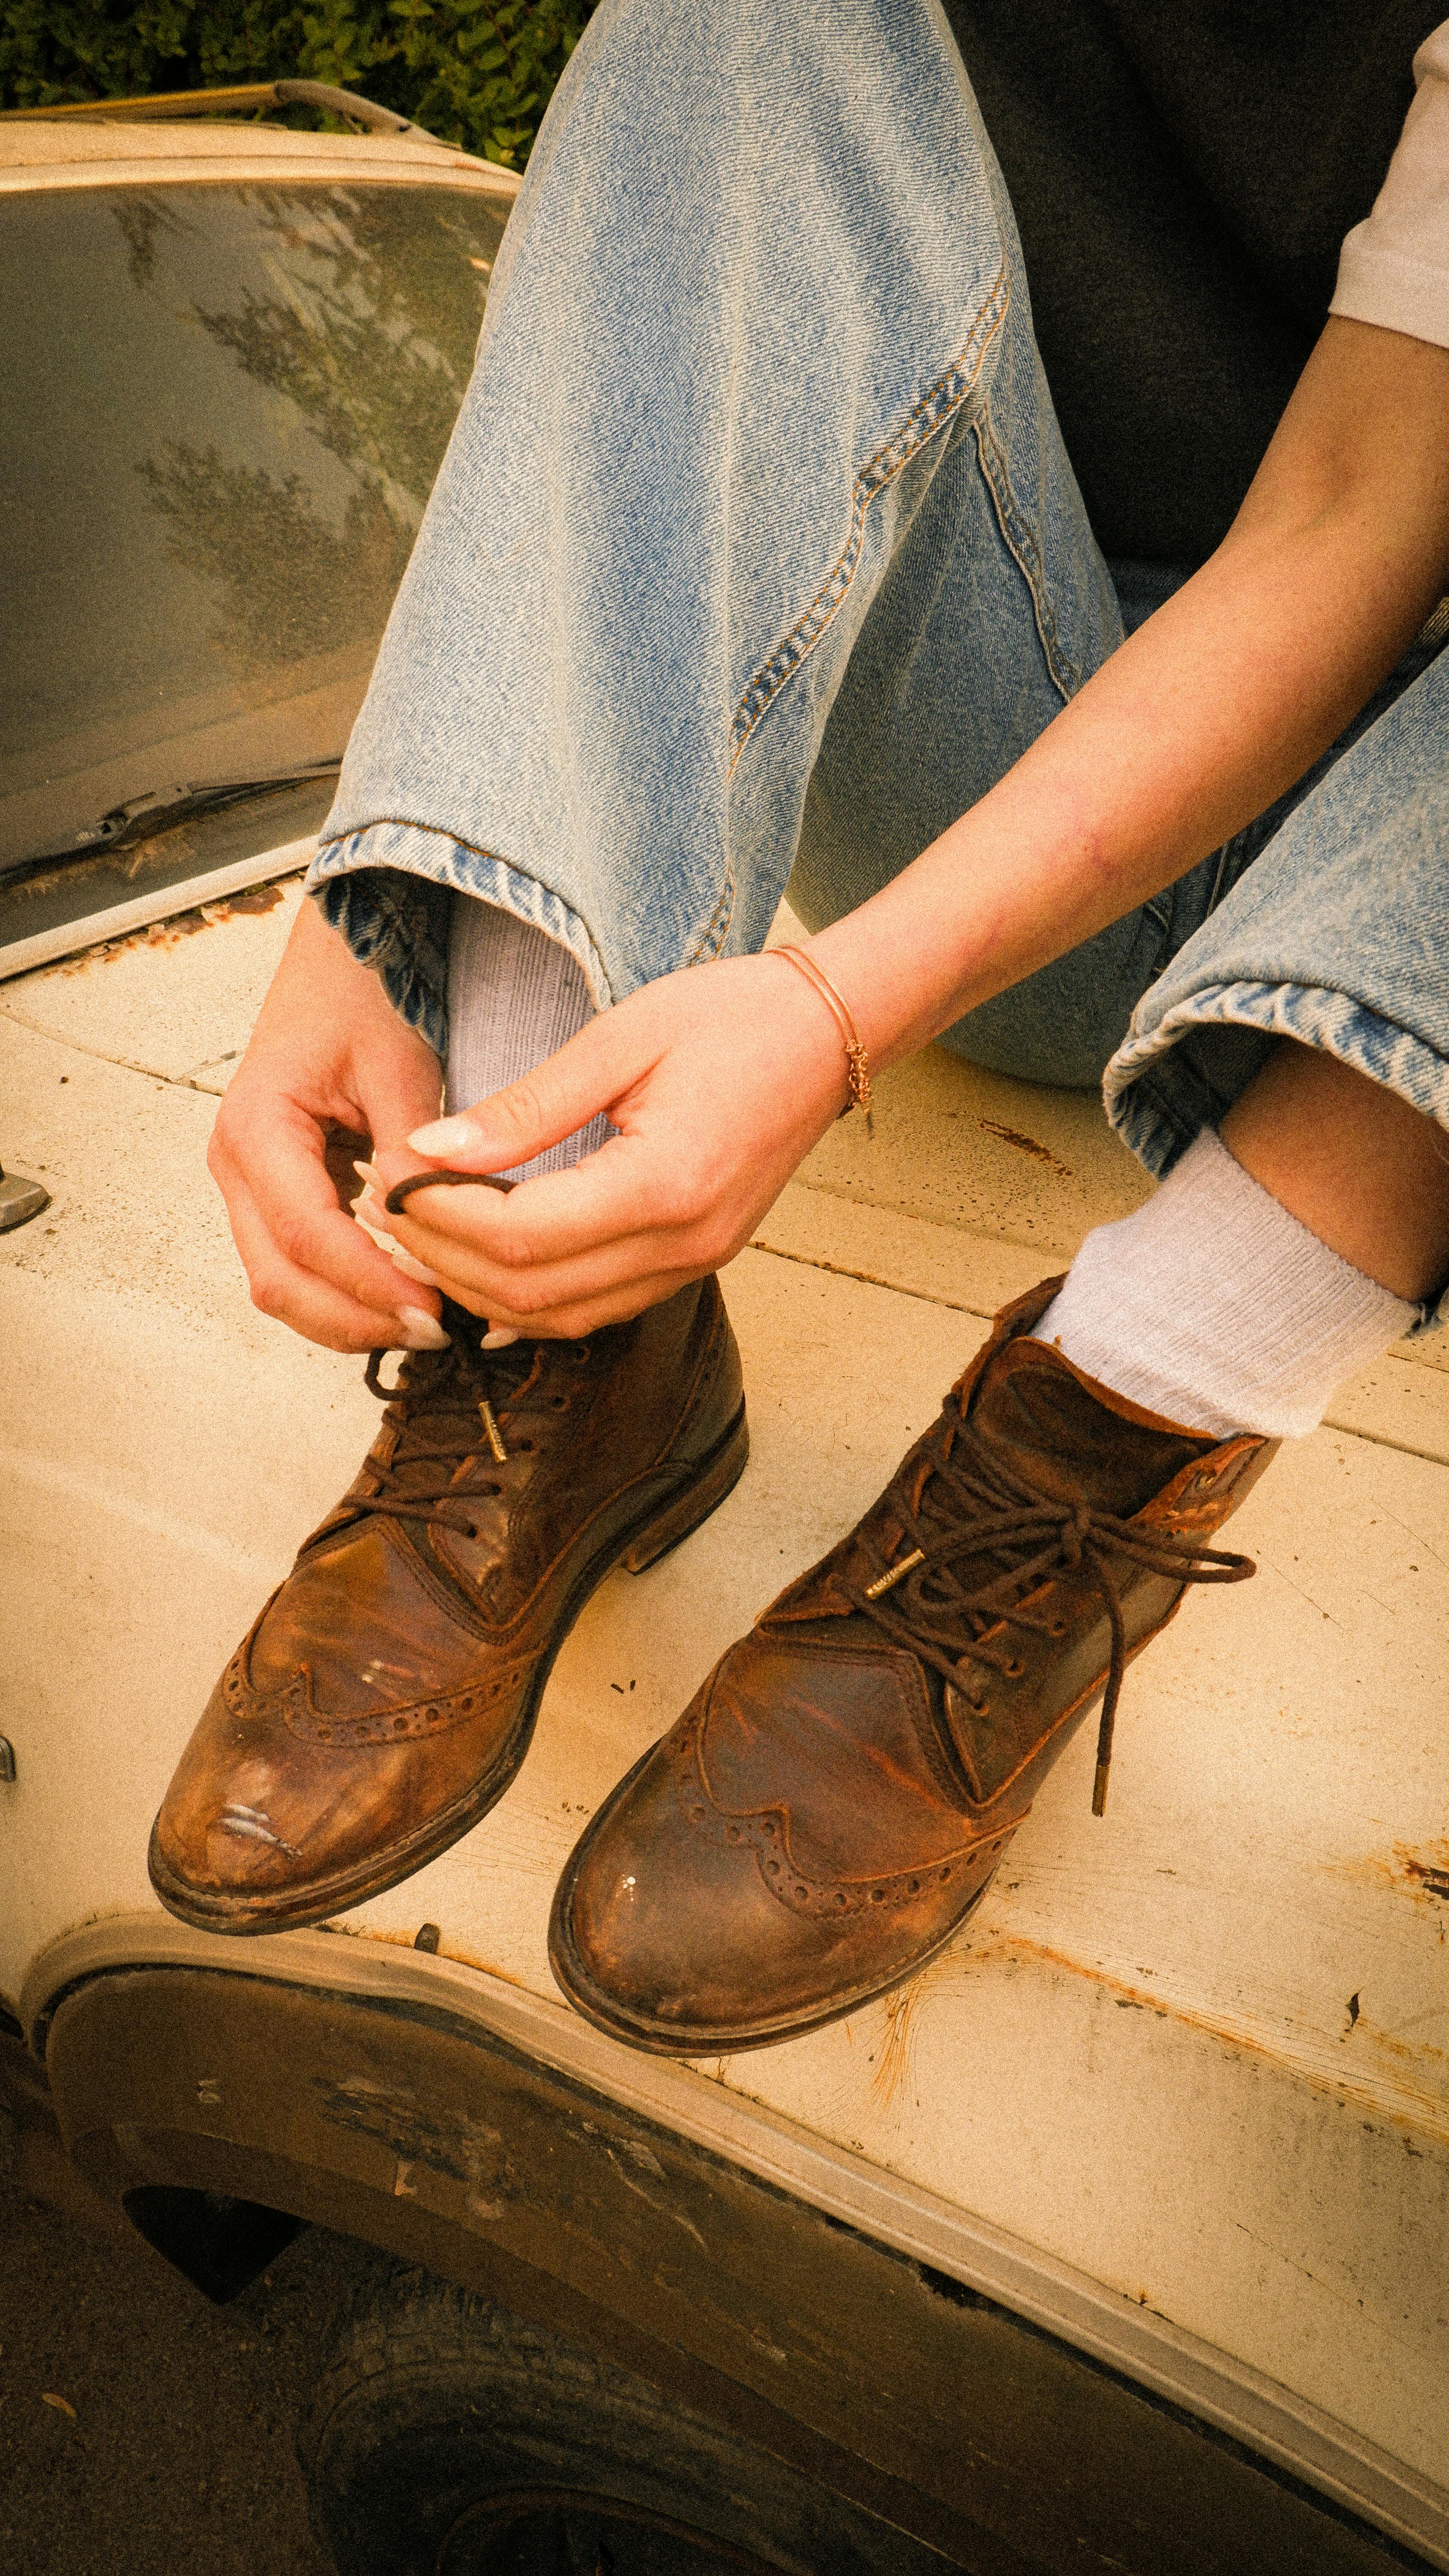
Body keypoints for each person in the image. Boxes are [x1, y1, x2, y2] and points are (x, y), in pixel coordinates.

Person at [149, 0, 1449, 2057]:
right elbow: (637, 358)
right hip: (995, 761)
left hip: (1383, 933)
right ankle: (558, 1297)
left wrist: (831, 1012)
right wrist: (389, 905)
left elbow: (1354, 520)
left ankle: (1137, 1398)